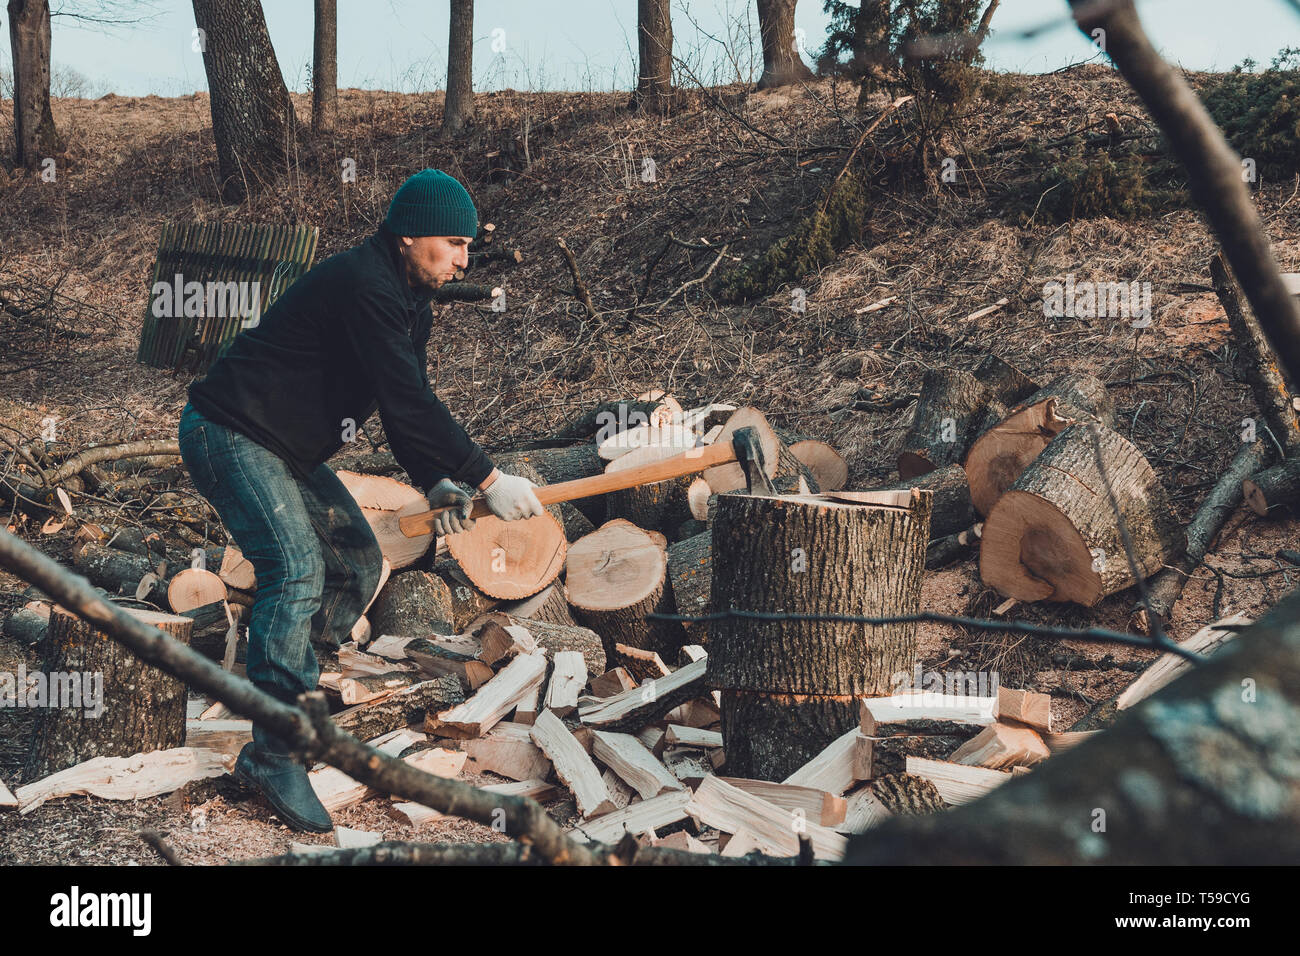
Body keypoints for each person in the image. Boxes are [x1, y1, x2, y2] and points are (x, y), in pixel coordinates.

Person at [177, 169, 543, 831]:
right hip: (227, 432)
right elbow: (411, 401)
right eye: (453, 242)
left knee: (355, 565)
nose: (464, 259)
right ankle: (273, 753)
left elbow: (401, 411)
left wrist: (437, 479)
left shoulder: (410, 301)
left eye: (467, 247)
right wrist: (488, 478)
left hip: (279, 446)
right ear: (408, 236)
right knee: (295, 571)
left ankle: (295, 703)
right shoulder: (364, 283)